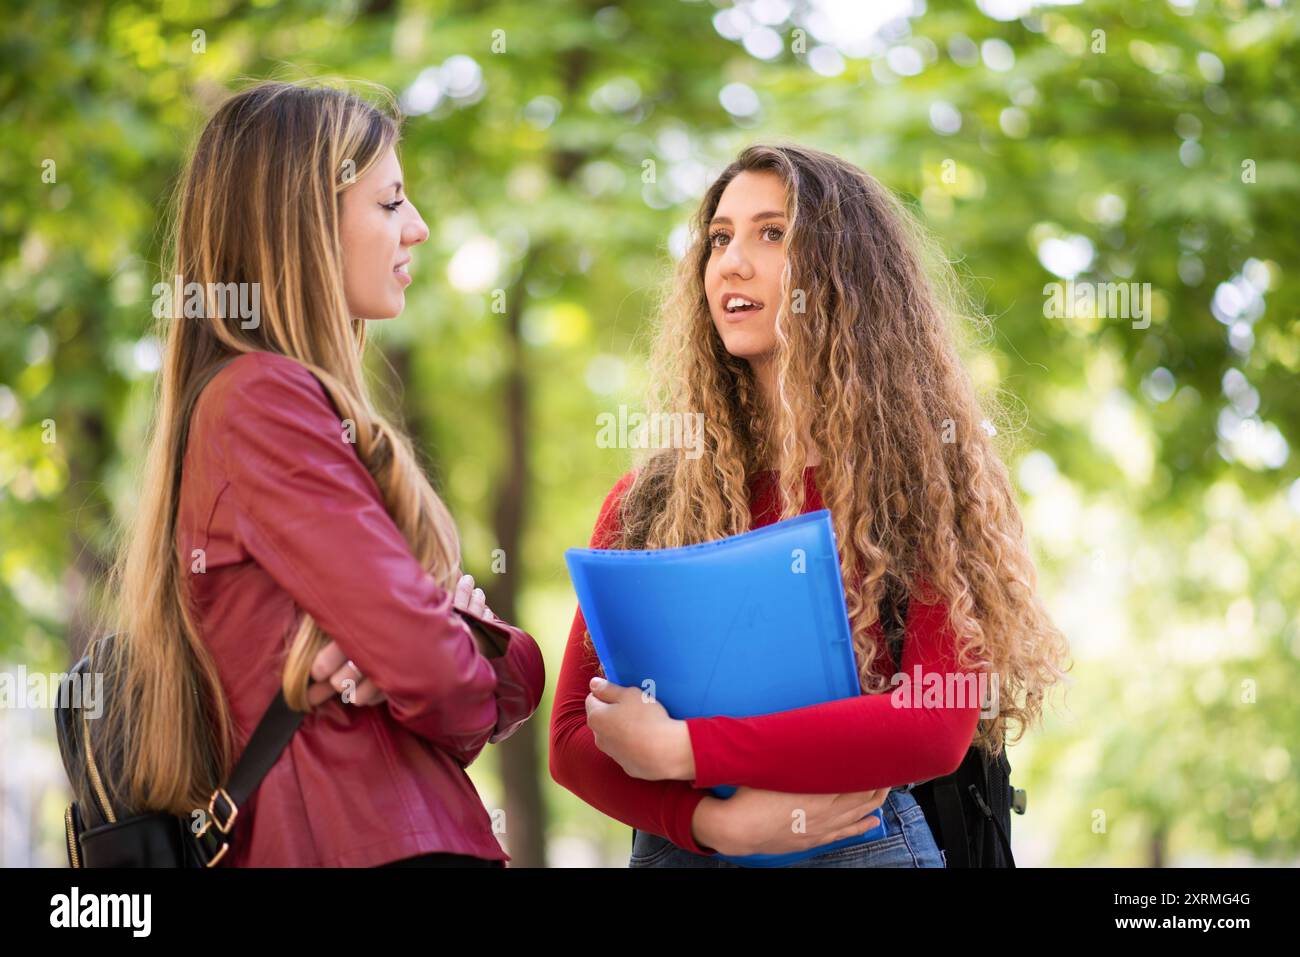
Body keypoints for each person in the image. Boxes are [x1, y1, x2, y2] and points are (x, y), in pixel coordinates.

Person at [549, 144, 1070, 867]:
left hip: (863, 844)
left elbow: (934, 723)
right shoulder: (649, 500)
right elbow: (573, 736)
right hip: (682, 850)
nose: (733, 261)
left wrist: (685, 748)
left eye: (772, 233)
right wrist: (708, 822)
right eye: (720, 238)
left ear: (845, 275)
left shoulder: (923, 478)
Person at [92, 80, 545, 867]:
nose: (419, 228)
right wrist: (441, 634)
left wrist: (441, 641)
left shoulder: (258, 405)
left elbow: (476, 679)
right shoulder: (263, 400)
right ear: (301, 221)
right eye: (390, 203)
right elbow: (448, 682)